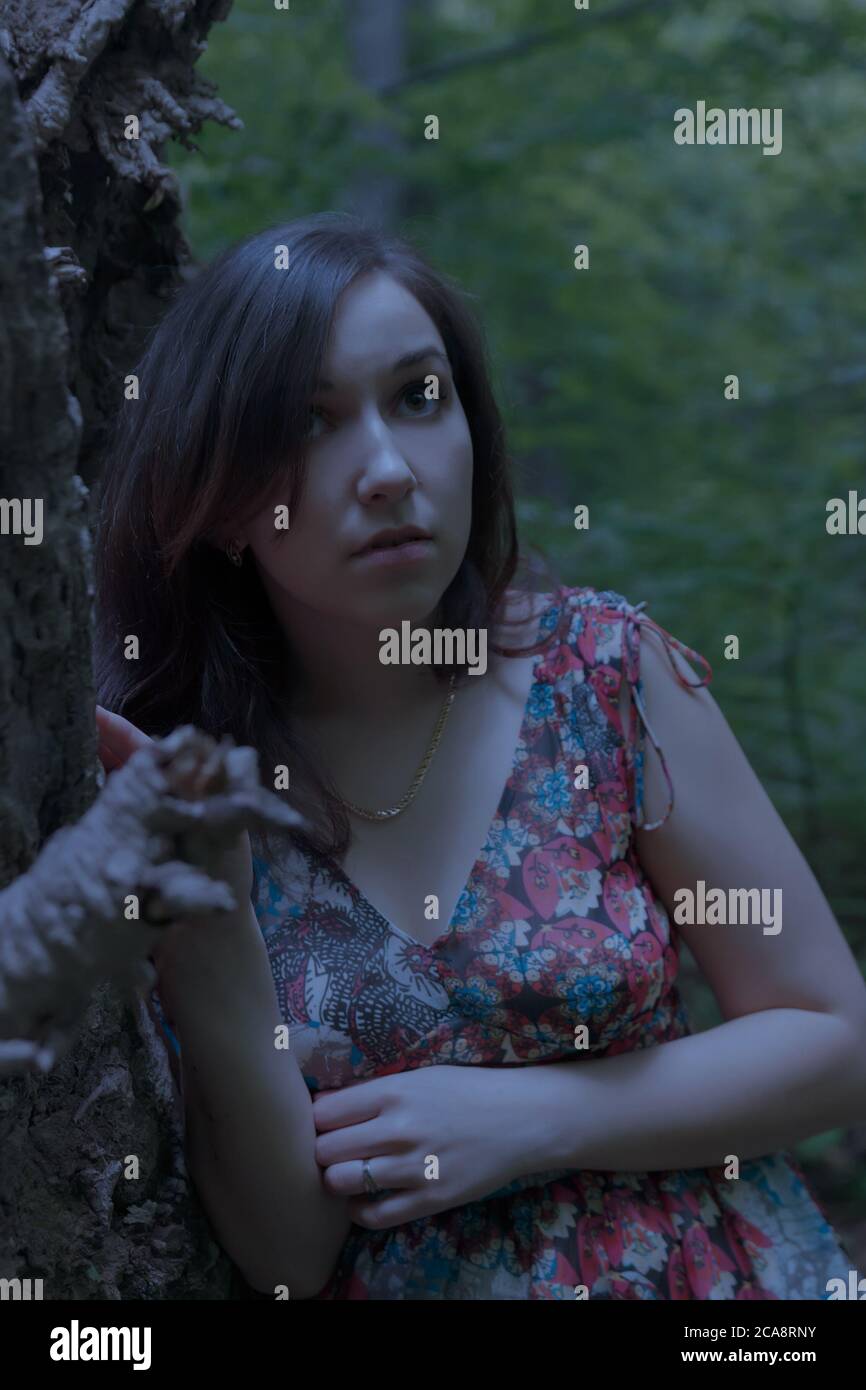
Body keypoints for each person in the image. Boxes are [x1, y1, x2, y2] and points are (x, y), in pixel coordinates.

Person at [93, 211, 866, 1300]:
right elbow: (284, 1256)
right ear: (219, 499)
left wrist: (541, 1115)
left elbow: (833, 1039)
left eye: (418, 397)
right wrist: (209, 942)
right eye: (307, 423)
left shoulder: (602, 673)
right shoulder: (183, 787)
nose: (386, 471)